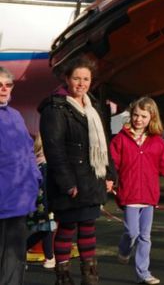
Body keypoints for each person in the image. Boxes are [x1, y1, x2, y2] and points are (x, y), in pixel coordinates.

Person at [39, 56, 116, 285]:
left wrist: (110, 175)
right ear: (66, 79)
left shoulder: (93, 106)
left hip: (92, 177)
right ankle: (63, 277)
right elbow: (54, 150)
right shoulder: (55, 108)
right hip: (71, 179)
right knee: (67, 227)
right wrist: (67, 183)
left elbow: (104, 142)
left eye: (86, 79)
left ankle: (89, 276)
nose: (81, 84)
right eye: (76, 78)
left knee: (88, 227)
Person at [110, 97, 164, 285]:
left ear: (151, 117)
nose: (138, 119)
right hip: (129, 194)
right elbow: (112, 164)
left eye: (143, 116)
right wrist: (108, 179)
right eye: (136, 115)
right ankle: (124, 250)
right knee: (132, 233)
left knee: (145, 236)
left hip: (149, 195)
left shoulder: (157, 142)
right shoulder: (120, 139)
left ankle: (143, 273)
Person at [0, 67, 42, 284]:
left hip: (19, 200)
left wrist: (36, 181)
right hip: (2, 198)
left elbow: (28, 152)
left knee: (15, 257)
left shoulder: (16, 116)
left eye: (8, 85)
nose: (3, 89)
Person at [26, 132, 57, 270]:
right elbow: (45, 186)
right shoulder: (46, 165)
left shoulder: (34, 163)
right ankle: (49, 256)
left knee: (44, 229)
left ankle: (49, 256)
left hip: (36, 202)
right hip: (44, 203)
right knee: (46, 229)